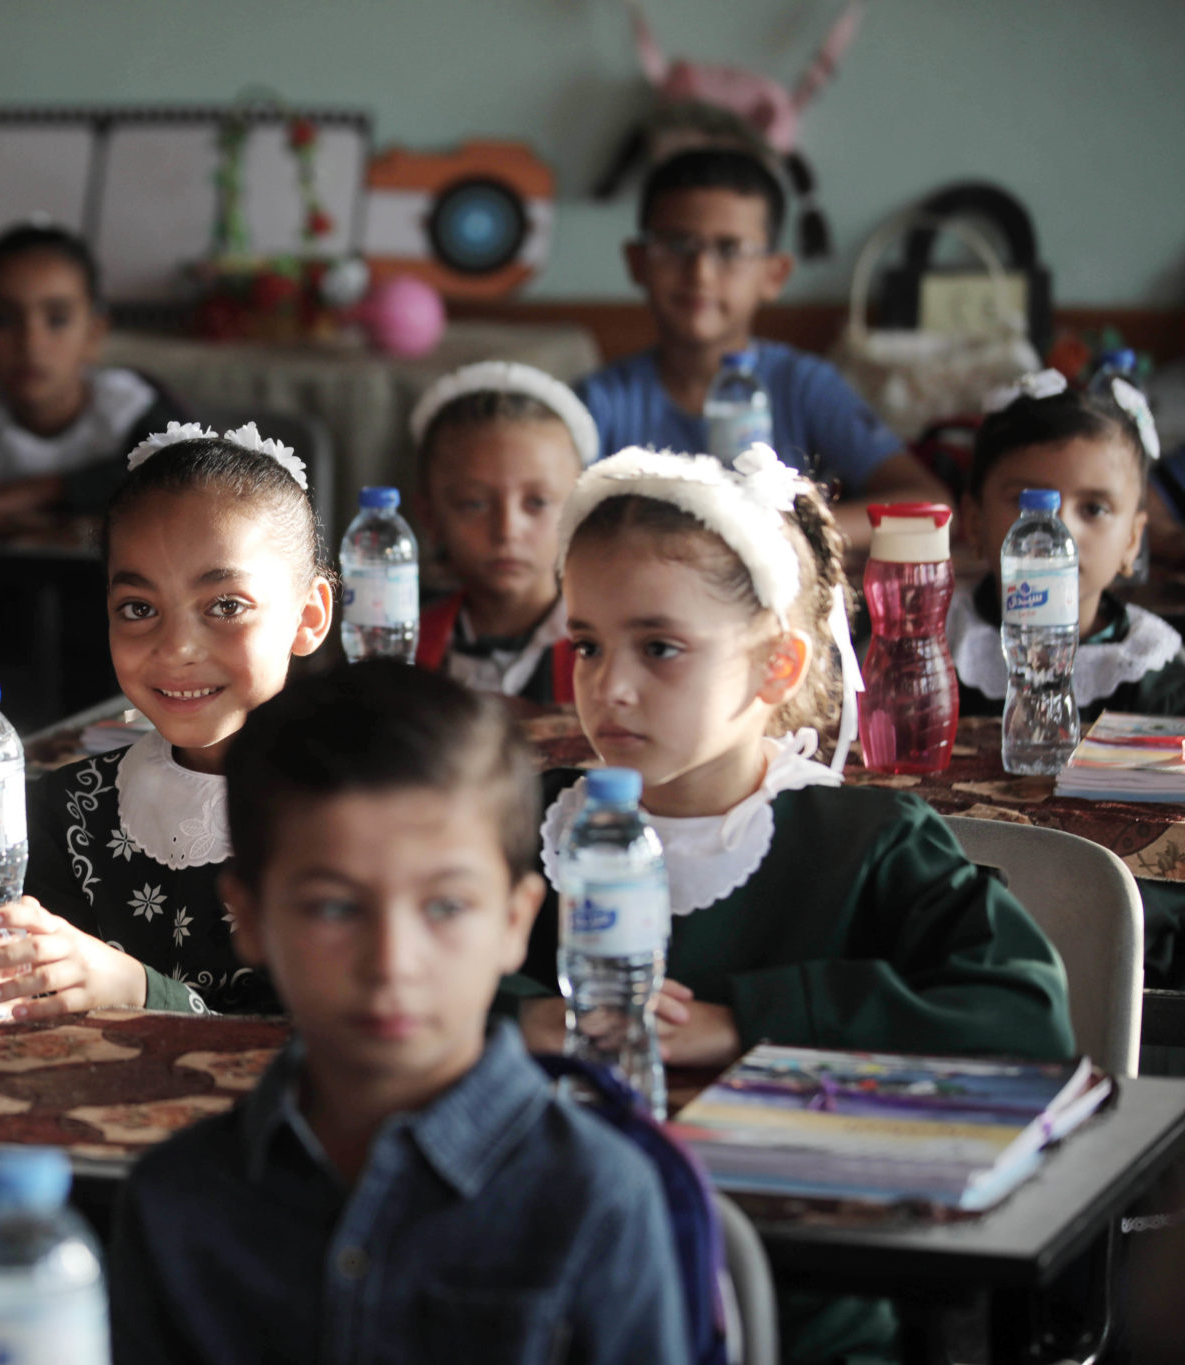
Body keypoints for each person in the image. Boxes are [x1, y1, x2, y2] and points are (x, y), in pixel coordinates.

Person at [505, 443, 1073, 1364]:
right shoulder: (523, 823)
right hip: (543, 1292)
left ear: (775, 668)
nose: (609, 687)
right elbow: (384, 981)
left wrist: (750, 1021)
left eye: (659, 647)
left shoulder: (865, 841)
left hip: (809, 1311)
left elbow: (1025, 1012)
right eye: (588, 645)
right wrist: (525, 1017)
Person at [108, 662, 689, 1364]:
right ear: (251, 918)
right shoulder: (176, 1200)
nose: (391, 962)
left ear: (515, 921)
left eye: (445, 905)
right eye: (334, 907)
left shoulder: (596, 1199)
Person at [0, 422, 334, 1017]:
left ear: (308, 617)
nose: (177, 648)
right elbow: (43, 1012)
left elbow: (326, 1047)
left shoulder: (355, 819)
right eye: (138, 608)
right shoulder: (70, 811)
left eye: (225, 606)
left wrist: (139, 992)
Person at [577, 149, 945, 547]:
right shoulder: (600, 403)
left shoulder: (805, 386)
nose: (700, 272)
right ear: (637, 262)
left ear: (775, 274)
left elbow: (930, 505)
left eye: (730, 249)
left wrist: (784, 536)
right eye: (677, 244)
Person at [0, 222, 191, 518]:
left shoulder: (129, 408)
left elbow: (187, 469)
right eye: (4, 321)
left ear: (93, 335)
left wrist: (35, 493)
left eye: (57, 320)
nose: (30, 343)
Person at [953, 368, 1184, 719]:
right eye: (1028, 504)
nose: (1058, 531)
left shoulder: (1151, 667)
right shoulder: (939, 642)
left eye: (1094, 508)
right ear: (974, 522)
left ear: (1132, 540)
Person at [409, 360, 598, 703]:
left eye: (537, 502)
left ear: (577, 511)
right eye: (474, 504)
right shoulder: (405, 647)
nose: (507, 530)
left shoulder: (608, 653)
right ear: (430, 516)